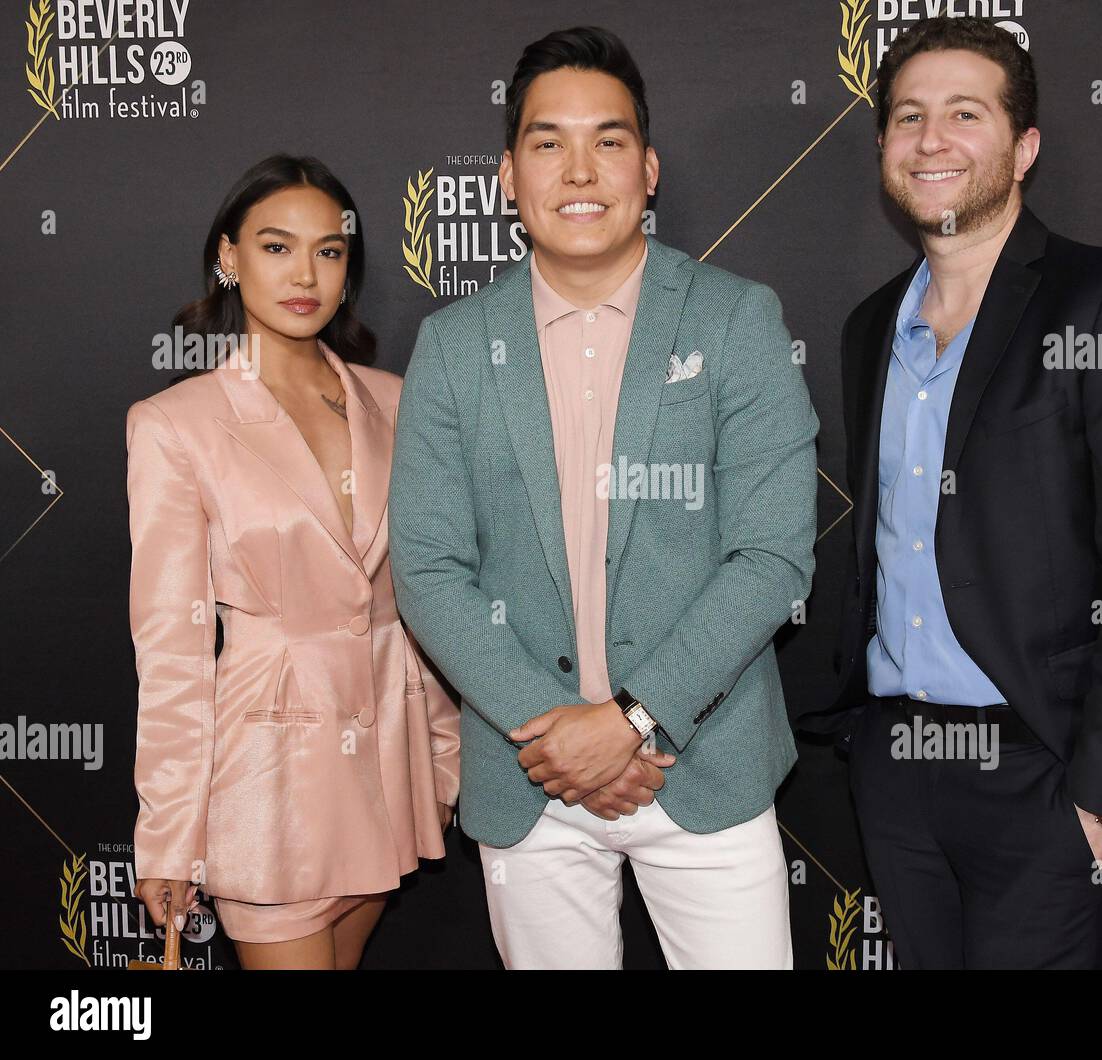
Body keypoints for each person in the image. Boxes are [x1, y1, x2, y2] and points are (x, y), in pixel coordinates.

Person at [389, 26, 819, 969]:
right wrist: (560, 738)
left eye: (609, 140)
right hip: (528, 776)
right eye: (548, 142)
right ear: (507, 173)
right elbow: (425, 568)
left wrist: (629, 723)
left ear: (650, 168)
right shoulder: (453, 348)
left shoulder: (736, 319)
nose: (579, 170)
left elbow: (774, 554)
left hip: (705, 768)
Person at [801, 17, 1102, 968]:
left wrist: (1101, 801)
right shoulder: (873, 328)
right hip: (898, 771)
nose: (931, 139)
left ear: (1023, 148)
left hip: (1046, 773)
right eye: (908, 117)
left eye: (964, 113)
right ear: (883, 151)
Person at [127, 154, 460, 970]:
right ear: (229, 259)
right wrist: (168, 834)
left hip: (390, 760)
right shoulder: (178, 424)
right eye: (276, 248)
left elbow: (430, 590)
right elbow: (171, 649)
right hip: (266, 777)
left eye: (330, 250)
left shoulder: (398, 398)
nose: (305, 273)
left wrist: (444, 753)